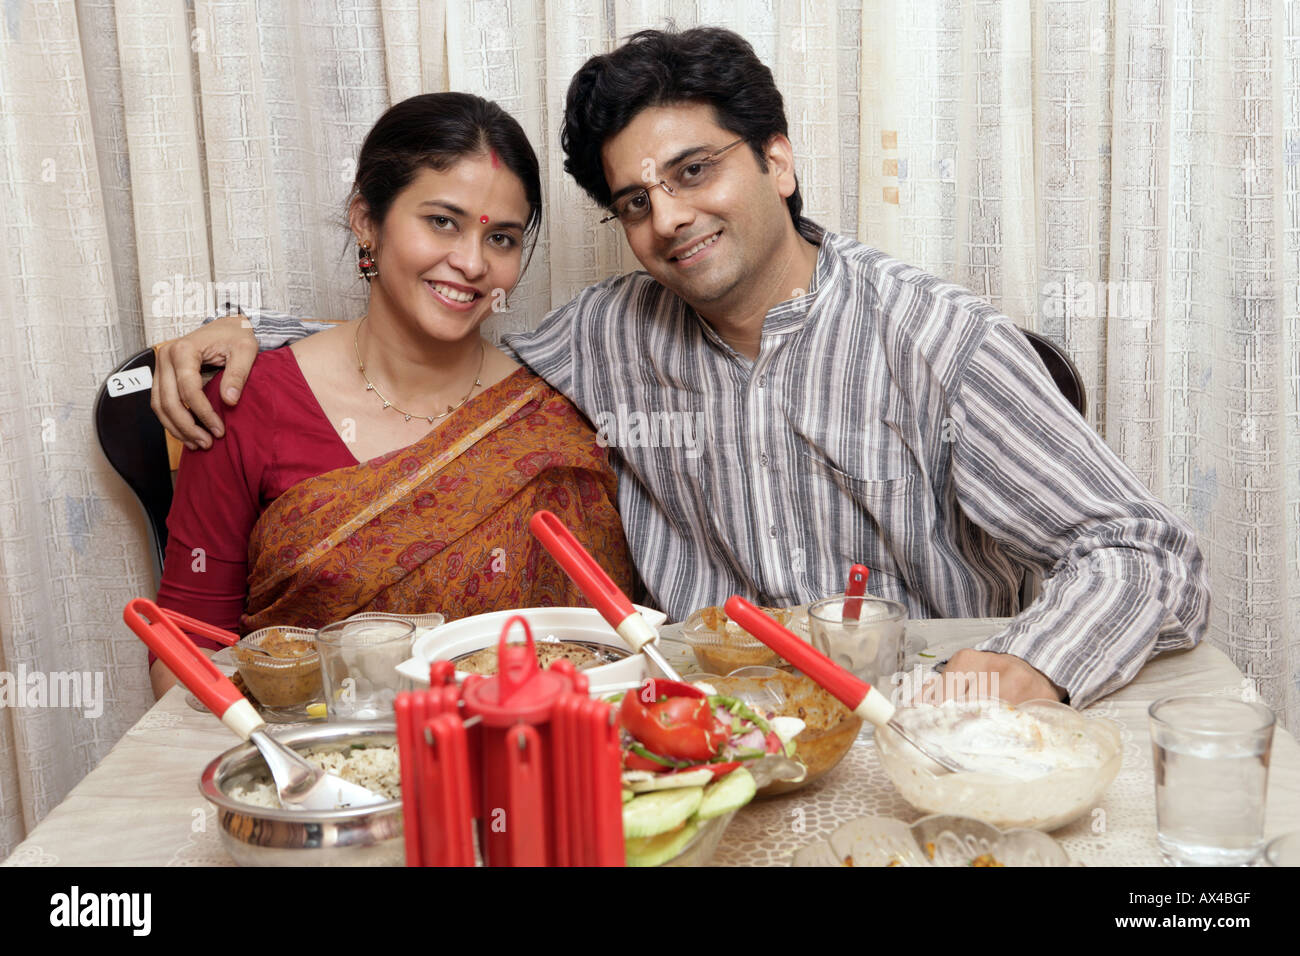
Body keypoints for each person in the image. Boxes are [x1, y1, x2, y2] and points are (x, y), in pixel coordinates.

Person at [151, 28, 1208, 709]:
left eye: (694, 171)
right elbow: (436, 339)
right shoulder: (608, 335)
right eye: (634, 201)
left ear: (777, 160)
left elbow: (1147, 551)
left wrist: (1026, 665)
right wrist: (244, 331)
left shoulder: (937, 340)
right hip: (699, 737)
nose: (669, 219)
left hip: (911, 733)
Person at [149, 92, 632, 698]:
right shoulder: (245, 402)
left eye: (502, 238)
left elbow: (604, 659)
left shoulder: (550, 416)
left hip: (523, 758)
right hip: (319, 772)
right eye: (441, 222)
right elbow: (184, 652)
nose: (472, 262)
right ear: (365, 220)